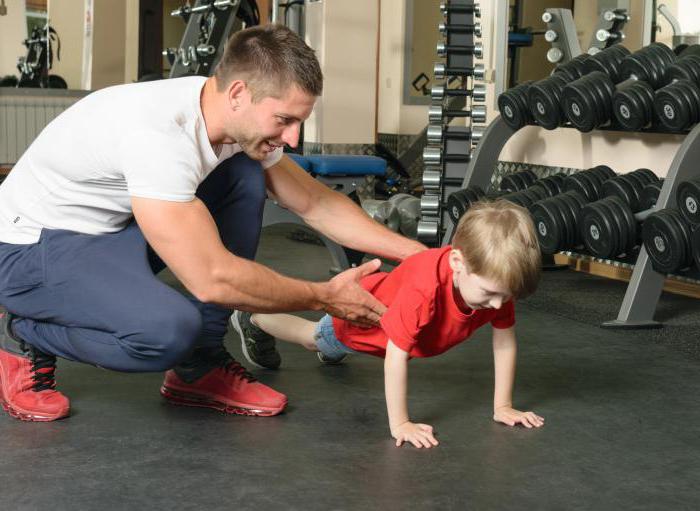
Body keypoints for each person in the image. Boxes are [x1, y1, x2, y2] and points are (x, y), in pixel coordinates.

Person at [0, 24, 425, 422]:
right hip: (26, 250)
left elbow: (315, 203)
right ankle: (23, 332)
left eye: (299, 121)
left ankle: (199, 366)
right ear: (239, 92)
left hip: (101, 235)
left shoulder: (222, 111)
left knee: (244, 171)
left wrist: (425, 256)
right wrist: (323, 297)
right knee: (167, 333)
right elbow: (212, 280)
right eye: (284, 120)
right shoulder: (160, 136)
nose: (294, 138)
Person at [233, 201, 545, 448]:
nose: (497, 305)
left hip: (397, 328)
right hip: (364, 320)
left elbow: (504, 340)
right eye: (490, 294)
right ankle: (254, 318)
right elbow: (396, 355)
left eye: (505, 296)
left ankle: (326, 349)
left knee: (333, 348)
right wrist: (401, 424)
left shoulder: (495, 288)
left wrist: (503, 405)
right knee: (315, 336)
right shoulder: (424, 293)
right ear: (457, 263)